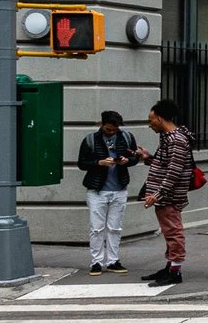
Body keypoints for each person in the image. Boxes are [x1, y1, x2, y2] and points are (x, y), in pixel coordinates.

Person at [75, 109, 143, 275]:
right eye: (108, 129)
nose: (111, 132)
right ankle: (96, 262)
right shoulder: (90, 140)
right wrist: (99, 162)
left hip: (119, 188)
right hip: (97, 190)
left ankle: (112, 260)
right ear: (101, 124)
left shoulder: (126, 137)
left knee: (115, 228)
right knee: (96, 228)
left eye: (114, 130)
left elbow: (135, 157)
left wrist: (128, 160)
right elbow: (81, 163)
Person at [137, 98, 196, 286]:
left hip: (170, 196)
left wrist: (157, 194)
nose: (149, 124)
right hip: (165, 195)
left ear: (161, 119)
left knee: (173, 231)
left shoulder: (176, 140)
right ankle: (170, 267)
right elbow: (166, 164)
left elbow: (174, 171)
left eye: (151, 120)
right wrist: (148, 158)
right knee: (169, 231)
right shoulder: (168, 138)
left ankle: (175, 272)